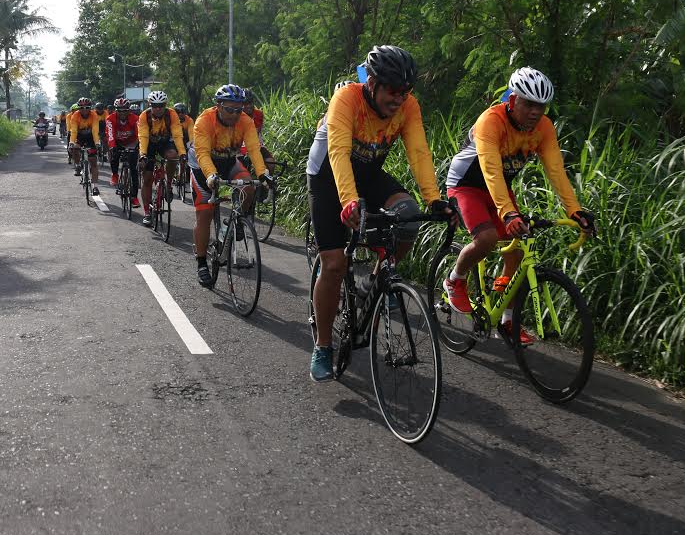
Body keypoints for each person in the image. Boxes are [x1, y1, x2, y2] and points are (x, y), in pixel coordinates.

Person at [306, 45, 453, 382]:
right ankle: (324, 345)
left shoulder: (408, 107)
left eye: (405, 91)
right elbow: (339, 152)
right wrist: (348, 200)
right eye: (392, 90)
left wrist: (433, 199)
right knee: (333, 263)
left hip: (368, 172)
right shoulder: (347, 99)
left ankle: (378, 278)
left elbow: (418, 152)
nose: (399, 98)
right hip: (329, 175)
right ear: (371, 83)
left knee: (409, 215)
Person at [442, 67, 594, 344]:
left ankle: (507, 320)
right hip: (466, 185)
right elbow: (490, 170)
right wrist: (508, 212)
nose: (535, 112)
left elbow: (556, 172)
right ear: (512, 100)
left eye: (541, 106)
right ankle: (455, 278)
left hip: (498, 189)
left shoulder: (543, 128)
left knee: (520, 247)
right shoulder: (492, 120)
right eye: (528, 104)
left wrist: (575, 210)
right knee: (487, 238)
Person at [188, 84, 270, 287]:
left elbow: (253, 149)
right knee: (205, 214)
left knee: (249, 186)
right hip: (202, 167)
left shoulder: (245, 121)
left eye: (238, 109)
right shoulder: (204, 121)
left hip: (228, 162)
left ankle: (233, 224)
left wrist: (263, 173)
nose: (235, 114)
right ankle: (201, 263)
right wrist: (210, 176)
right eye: (229, 109)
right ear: (218, 106)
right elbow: (203, 154)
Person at [137, 91, 185, 227]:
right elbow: (143, 137)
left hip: (165, 142)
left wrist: (182, 153)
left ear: (165, 105)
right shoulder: (144, 116)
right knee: (147, 179)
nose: (158, 108)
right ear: (150, 105)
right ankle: (147, 212)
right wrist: (143, 154)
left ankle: (168, 183)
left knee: (173, 156)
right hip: (149, 144)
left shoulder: (171, 114)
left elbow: (177, 134)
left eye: (161, 105)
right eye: (155, 105)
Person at [106, 97, 141, 208]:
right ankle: (115, 174)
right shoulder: (110, 118)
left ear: (128, 110)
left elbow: (139, 134)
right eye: (119, 110)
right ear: (116, 110)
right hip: (117, 142)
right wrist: (112, 147)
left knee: (134, 169)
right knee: (113, 154)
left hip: (132, 142)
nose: (122, 113)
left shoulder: (135, 118)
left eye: (125, 110)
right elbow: (110, 134)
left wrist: (140, 147)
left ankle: (134, 197)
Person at [67, 97, 101, 195]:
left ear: (90, 108)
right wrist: (71, 142)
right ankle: (77, 165)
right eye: (82, 108)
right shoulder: (75, 116)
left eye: (87, 108)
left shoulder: (94, 115)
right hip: (79, 136)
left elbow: (95, 130)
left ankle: (95, 186)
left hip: (91, 137)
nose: (85, 110)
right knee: (74, 148)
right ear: (79, 108)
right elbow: (73, 131)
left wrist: (97, 143)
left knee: (93, 162)